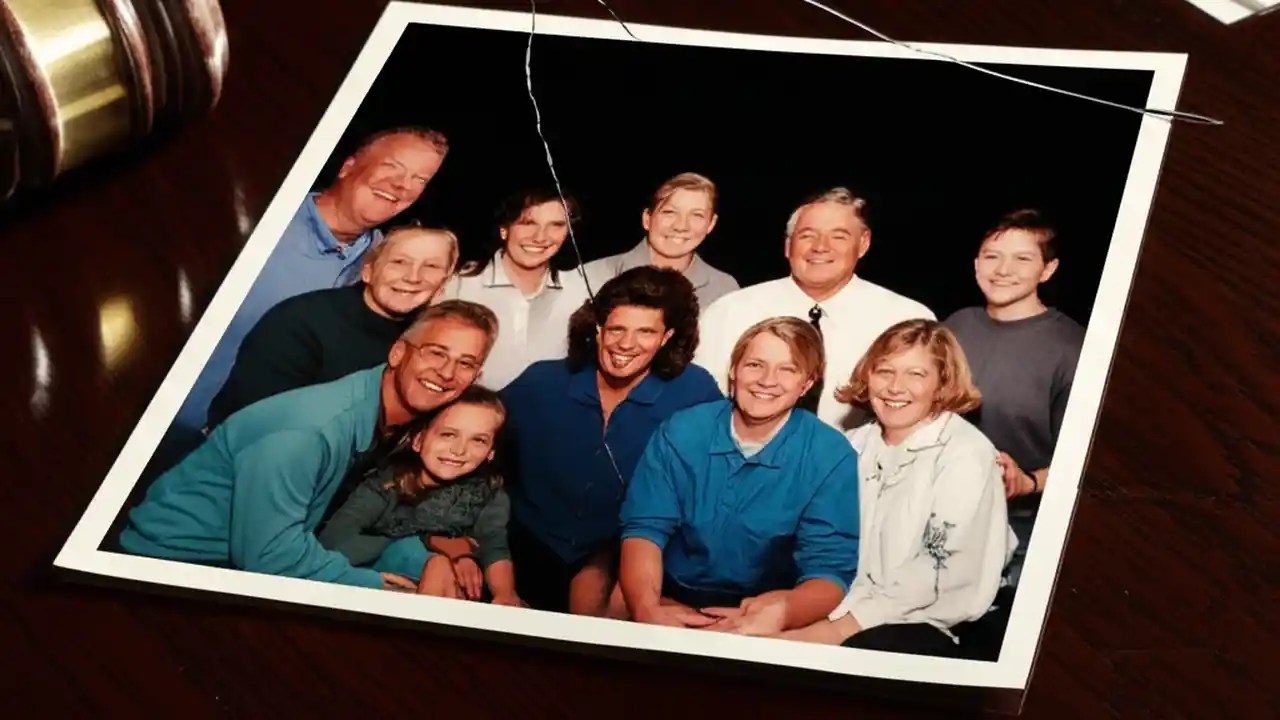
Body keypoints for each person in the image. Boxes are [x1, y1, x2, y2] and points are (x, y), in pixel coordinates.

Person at [117, 300, 499, 591]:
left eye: (465, 364)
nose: (447, 373)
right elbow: (270, 557)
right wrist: (382, 592)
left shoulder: (401, 421)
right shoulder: (309, 432)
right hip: (168, 567)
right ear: (398, 352)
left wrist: (426, 561)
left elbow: (367, 521)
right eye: (436, 353)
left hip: (252, 560)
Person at [167, 127, 450, 457]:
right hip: (166, 422)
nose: (403, 185)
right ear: (348, 166)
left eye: (420, 180)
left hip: (248, 452)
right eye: (393, 167)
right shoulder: (265, 217)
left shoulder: (385, 270)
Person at [779, 320, 1017, 658]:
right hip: (843, 606)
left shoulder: (966, 454)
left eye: (916, 374)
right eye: (885, 371)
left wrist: (834, 630)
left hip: (931, 625)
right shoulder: (853, 445)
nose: (895, 387)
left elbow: (935, 574)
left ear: (942, 383)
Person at [500, 267, 722, 617]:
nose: (626, 344)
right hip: (525, 553)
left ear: (666, 337)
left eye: (645, 332)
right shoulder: (543, 382)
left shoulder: (694, 392)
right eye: (617, 329)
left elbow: (715, 484)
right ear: (598, 330)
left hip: (626, 562)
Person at [619, 317, 860, 636]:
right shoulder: (683, 430)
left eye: (787, 370)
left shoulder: (829, 452)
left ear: (806, 384)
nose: (767, 380)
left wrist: (784, 611)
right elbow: (644, 529)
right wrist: (646, 609)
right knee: (617, 608)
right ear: (733, 371)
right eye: (755, 365)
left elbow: (828, 569)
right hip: (669, 590)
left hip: (767, 604)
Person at [694, 187, 935, 431]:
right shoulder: (730, 311)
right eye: (808, 235)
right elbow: (702, 407)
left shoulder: (906, 319)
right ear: (788, 245)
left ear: (863, 244)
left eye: (838, 236)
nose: (821, 247)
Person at [943, 209, 1084, 591]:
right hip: (944, 524)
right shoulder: (954, 326)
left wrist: (1029, 482)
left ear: (1048, 269)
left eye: (1022, 258)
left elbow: (1089, 464)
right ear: (976, 264)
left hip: (1021, 536)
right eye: (992, 256)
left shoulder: (1073, 349)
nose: (1003, 269)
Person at [205, 225, 460, 428]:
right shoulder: (302, 321)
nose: (413, 277)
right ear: (368, 272)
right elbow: (250, 424)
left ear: (442, 285)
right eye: (399, 262)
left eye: (431, 266)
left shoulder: (428, 342)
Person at [318, 386, 524, 606]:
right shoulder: (386, 484)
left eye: (478, 440)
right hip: (367, 576)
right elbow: (333, 542)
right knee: (433, 563)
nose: (459, 449)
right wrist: (431, 546)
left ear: (490, 453)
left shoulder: (489, 492)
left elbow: (495, 546)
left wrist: (505, 593)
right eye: (448, 434)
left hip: (439, 586)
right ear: (418, 440)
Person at [440, 188, 590, 390]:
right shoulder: (458, 284)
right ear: (505, 228)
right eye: (528, 223)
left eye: (556, 225)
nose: (540, 237)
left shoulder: (580, 290)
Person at [581, 172, 739, 308]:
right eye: (669, 212)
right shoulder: (592, 276)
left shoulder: (723, 288)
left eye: (697, 215)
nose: (681, 226)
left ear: (711, 224)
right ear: (647, 219)